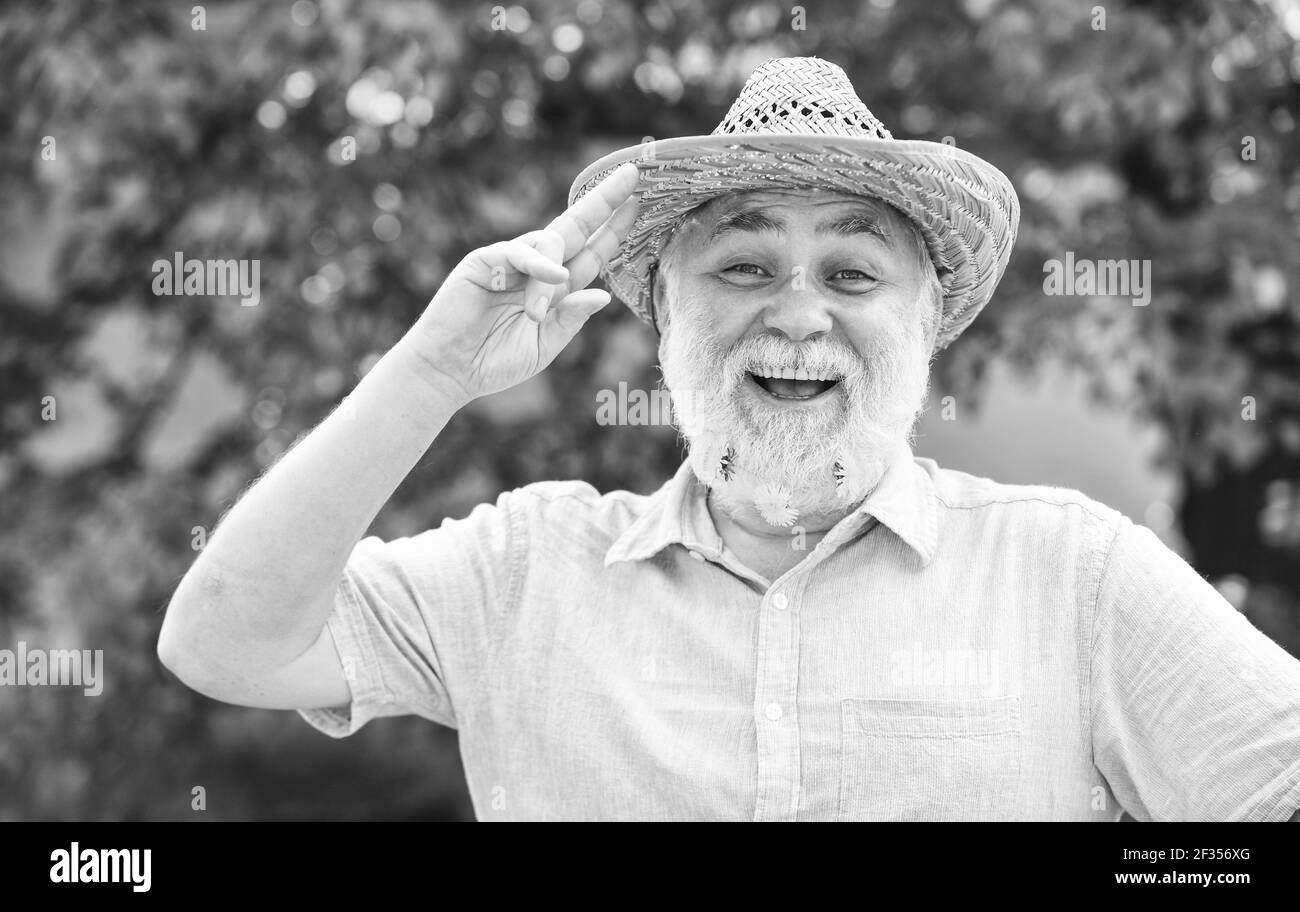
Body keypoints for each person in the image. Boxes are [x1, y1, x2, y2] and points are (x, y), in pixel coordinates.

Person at [157, 57, 1300, 821]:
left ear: (923, 324)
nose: (798, 312)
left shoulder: (1072, 576)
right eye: (743, 266)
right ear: (664, 314)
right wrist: (435, 372)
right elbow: (222, 643)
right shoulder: (523, 571)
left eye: (852, 273)